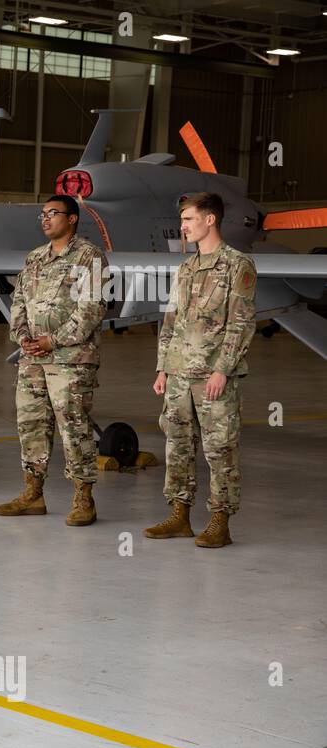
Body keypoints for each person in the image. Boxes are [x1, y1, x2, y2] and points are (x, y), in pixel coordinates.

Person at [144, 192, 256, 548]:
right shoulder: (185, 268)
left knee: (219, 448)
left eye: (189, 219)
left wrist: (223, 369)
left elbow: (241, 323)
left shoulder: (238, 265)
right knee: (177, 445)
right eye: (182, 220)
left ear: (210, 220)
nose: (183, 226)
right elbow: (170, 321)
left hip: (212, 376)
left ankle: (220, 521)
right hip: (178, 375)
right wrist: (163, 368)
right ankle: (179, 516)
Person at [0, 194, 107, 526]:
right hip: (32, 359)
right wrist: (23, 338)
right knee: (30, 424)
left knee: (74, 427)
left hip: (71, 358)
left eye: (53, 213)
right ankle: (33, 494)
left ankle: (84, 498)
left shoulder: (90, 258)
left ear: (72, 219)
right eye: (42, 214)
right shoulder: (35, 258)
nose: (45, 219)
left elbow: (91, 311)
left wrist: (52, 340)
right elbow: (19, 303)